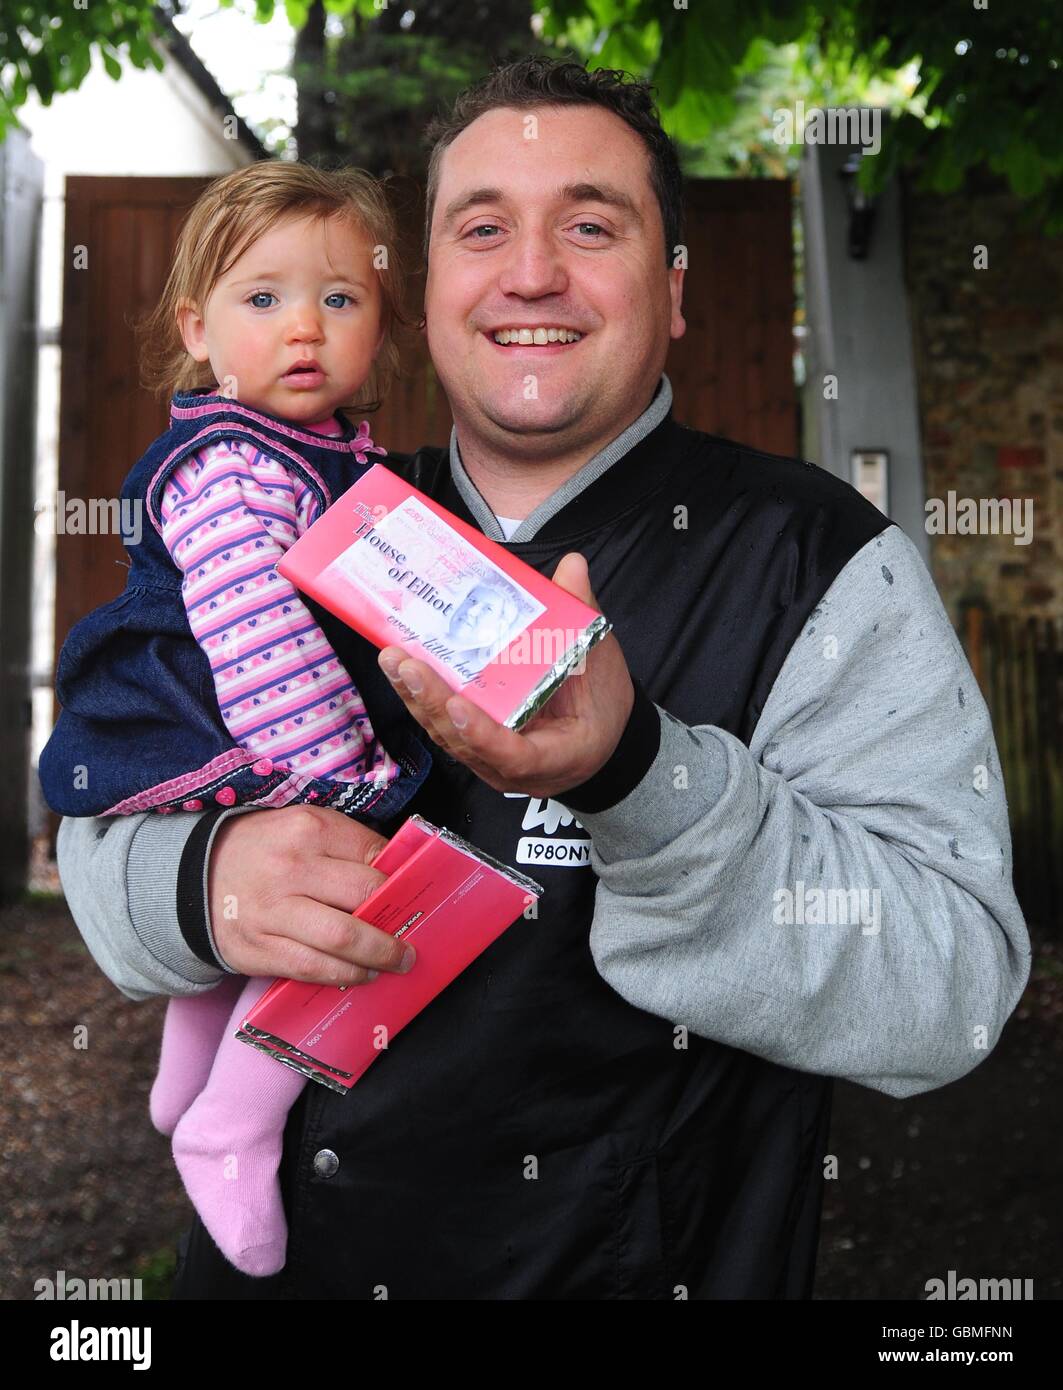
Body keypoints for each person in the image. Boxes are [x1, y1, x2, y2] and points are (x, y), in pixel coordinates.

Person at [53, 57, 1031, 1300]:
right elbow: (96, 819)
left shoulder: (818, 561)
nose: (529, 273)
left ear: (673, 289)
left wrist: (641, 778)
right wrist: (204, 882)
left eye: (588, 223)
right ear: (428, 291)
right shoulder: (286, 515)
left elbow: (949, 990)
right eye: (481, 229)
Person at [38, 161, 434, 1278]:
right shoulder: (234, 464)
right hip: (234, 719)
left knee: (255, 909)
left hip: (227, 720)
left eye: (339, 299)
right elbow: (255, 625)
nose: (303, 326)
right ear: (196, 328)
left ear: (382, 331)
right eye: (263, 298)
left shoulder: (314, 453)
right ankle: (236, 1118)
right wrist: (333, 773)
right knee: (350, 887)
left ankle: (186, 1077)